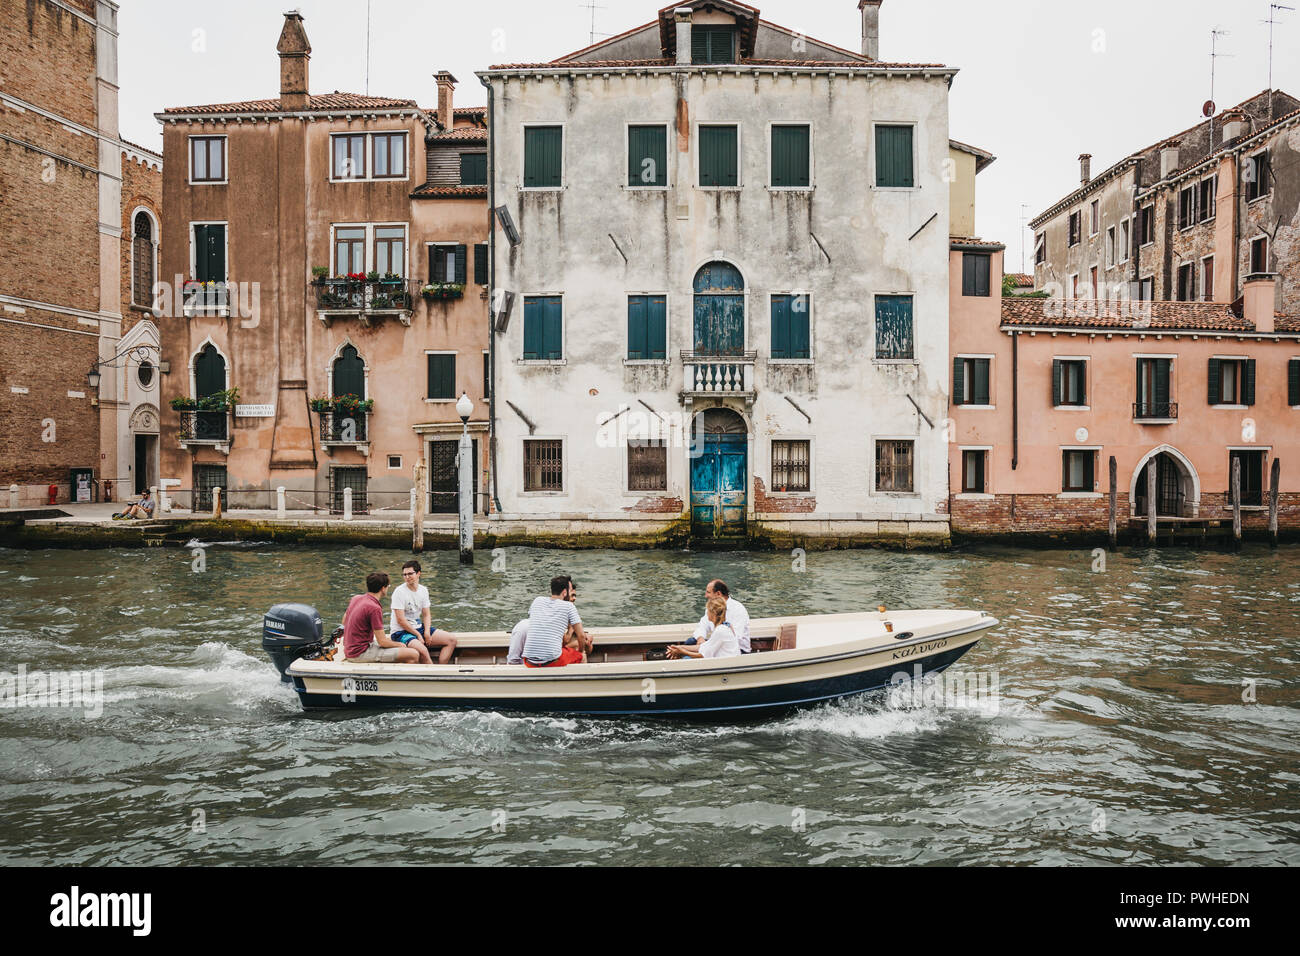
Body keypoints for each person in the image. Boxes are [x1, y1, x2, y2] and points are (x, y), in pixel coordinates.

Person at [342, 572, 423, 663]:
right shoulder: (374, 608)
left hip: (350, 649)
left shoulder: (356, 598)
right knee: (413, 654)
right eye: (388, 586)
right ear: (383, 588)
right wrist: (400, 644)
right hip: (360, 653)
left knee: (399, 646)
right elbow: (382, 642)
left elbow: (344, 621)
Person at [390, 559, 458, 664]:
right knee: (422, 650)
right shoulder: (399, 592)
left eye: (410, 574)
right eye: (404, 575)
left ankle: (441, 669)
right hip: (401, 632)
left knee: (451, 640)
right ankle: (434, 676)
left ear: (418, 574)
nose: (407, 577)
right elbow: (401, 620)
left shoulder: (423, 590)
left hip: (418, 628)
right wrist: (418, 635)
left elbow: (426, 614)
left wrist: (426, 632)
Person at [507, 576, 587, 665]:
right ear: (564, 592)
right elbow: (581, 636)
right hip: (550, 662)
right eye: (570, 590)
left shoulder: (537, 600)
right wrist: (580, 652)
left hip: (528, 661)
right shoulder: (569, 606)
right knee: (581, 656)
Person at [687, 579, 751, 653]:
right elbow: (702, 625)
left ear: (718, 593)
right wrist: (700, 638)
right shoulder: (711, 607)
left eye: (708, 592)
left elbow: (736, 638)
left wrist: (710, 645)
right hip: (715, 643)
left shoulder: (738, 609)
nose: (705, 596)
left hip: (737, 650)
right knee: (690, 641)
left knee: (686, 655)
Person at [667, 596, 740, 660]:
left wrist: (682, 652)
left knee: (686, 659)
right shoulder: (726, 626)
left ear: (713, 613)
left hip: (724, 664)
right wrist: (679, 647)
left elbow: (702, 655)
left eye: (708, 610)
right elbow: (703, 647)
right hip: (723, 661)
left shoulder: (720, 631)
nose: (707, 612)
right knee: (689, 643)